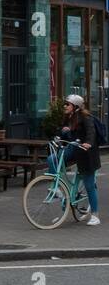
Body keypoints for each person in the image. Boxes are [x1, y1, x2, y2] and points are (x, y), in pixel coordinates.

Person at [59, 94, 101, 227]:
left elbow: (91, 132)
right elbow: (66, 134)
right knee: (53, 159)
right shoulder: (69, 118)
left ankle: (95, 215)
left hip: (87, 154)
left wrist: (88, 143)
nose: (65, 106)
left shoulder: (85, 118)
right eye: (65, 104)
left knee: (89, 185)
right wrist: (63, 132)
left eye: (68, 104)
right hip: (75, 150)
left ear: (75, 107)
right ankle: (56, 188)